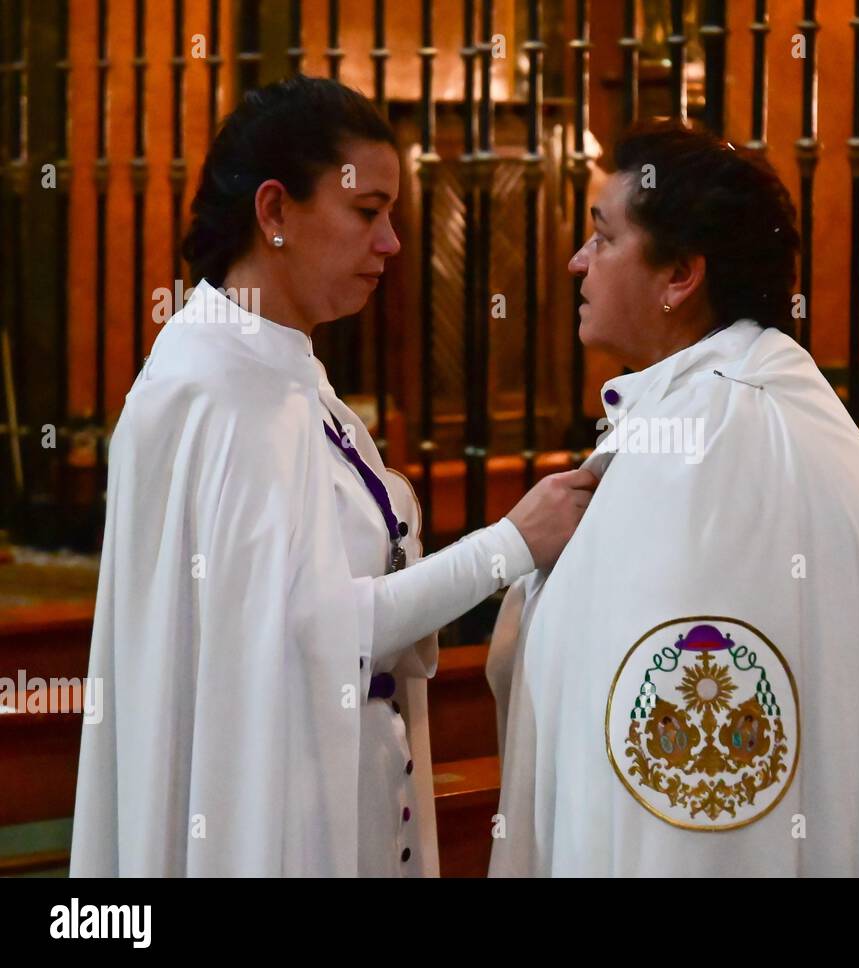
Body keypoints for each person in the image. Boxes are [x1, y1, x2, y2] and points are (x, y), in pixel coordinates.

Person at [70, 75, 596, 876]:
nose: (391, 242)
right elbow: (311, 631)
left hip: (349, 788)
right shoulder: (211, 389)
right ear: (275, 210)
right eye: (366, 211)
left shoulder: (286, 369)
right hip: (277, 821)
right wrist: (509, 546)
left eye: (391, 214)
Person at [486, 121, 859, 876]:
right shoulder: (771, 401)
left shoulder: (706, 446)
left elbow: (686, 778)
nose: (578, 262)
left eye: (603, 238)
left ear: (680, 275)